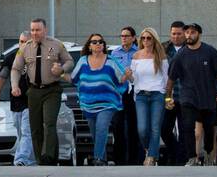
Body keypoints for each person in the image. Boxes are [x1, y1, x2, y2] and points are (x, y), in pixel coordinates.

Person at [164, 23, 217, 167]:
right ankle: (192, 157)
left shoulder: (210, 51)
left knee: (208, 128)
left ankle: (207, 152)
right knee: (187, 127)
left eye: (192, 32)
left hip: (207, 98)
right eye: (186, 32)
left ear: (199, 34)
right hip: (187, 97)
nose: (188, 35)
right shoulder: (180, 55)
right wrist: (168, 98)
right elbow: (171, 79)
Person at [11, 18, 72, 166]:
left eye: (37, 30)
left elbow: (70, 61)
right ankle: (41, 159)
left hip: (52, 90)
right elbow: (16, 69)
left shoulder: (56, 45)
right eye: (32, 30)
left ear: (45, 30)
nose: (34, 33)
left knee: (49, 123)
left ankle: (48, 156)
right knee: (35, 127)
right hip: (34, 91)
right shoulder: (25, 48)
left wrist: (62, 69)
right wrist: (14, 86)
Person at [72, 33, 127, 165]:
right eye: (94, 42)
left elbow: (121, 79)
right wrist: (60, 73)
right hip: (88, 103)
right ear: (89, 46)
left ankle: (98, 158)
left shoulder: (111, 61)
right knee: (95, 132)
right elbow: (74, 79)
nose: (98, 44)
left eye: (100, 42)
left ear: (103, 45)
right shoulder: (83, 61)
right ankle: (103, 159)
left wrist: (127, 76)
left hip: (107, 103)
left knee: (101, 127)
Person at [0, 32, 35, 167]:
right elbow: (2, 78)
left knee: (27, 131)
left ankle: (20, 159)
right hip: (16, 102)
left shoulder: (37, 56)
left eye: (26, 42)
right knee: (21, 133)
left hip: (31, 101)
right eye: (21, 41)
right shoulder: (12, 58)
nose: (23, 44)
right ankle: (31, 159)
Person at [127, 28, 168, 166]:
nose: (145, 41)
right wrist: (128, 76)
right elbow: (133, 80)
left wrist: (168, 96)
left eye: (148, 38)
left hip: (157, 94)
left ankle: (151, 157)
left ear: (154, 39)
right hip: (141, 95)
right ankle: (149, 149)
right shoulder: (136, 56)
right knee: (142, 129)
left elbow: (167, 78)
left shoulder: (160, 56)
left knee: (155, 127)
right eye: (143, 38)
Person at [108, 27, 141, 165]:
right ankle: (119, 158)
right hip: (119, 93)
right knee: (118, 125)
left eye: (127, 36)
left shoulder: (139, 52)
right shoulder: (115, 53)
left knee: (134, 125)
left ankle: (135, 158)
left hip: (134, 91)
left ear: (133, 38)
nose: (124, 38)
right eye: (122, 35)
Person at [159, 21, 187, 165]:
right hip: (168, 96)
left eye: (179, 33)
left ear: (184, 33)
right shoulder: (163, 48)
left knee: (184, 131)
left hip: (185, 96)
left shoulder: (190, 47)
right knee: (164, 129)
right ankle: (175, 152)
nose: (176, 36)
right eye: (173, 33)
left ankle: (180, 161)